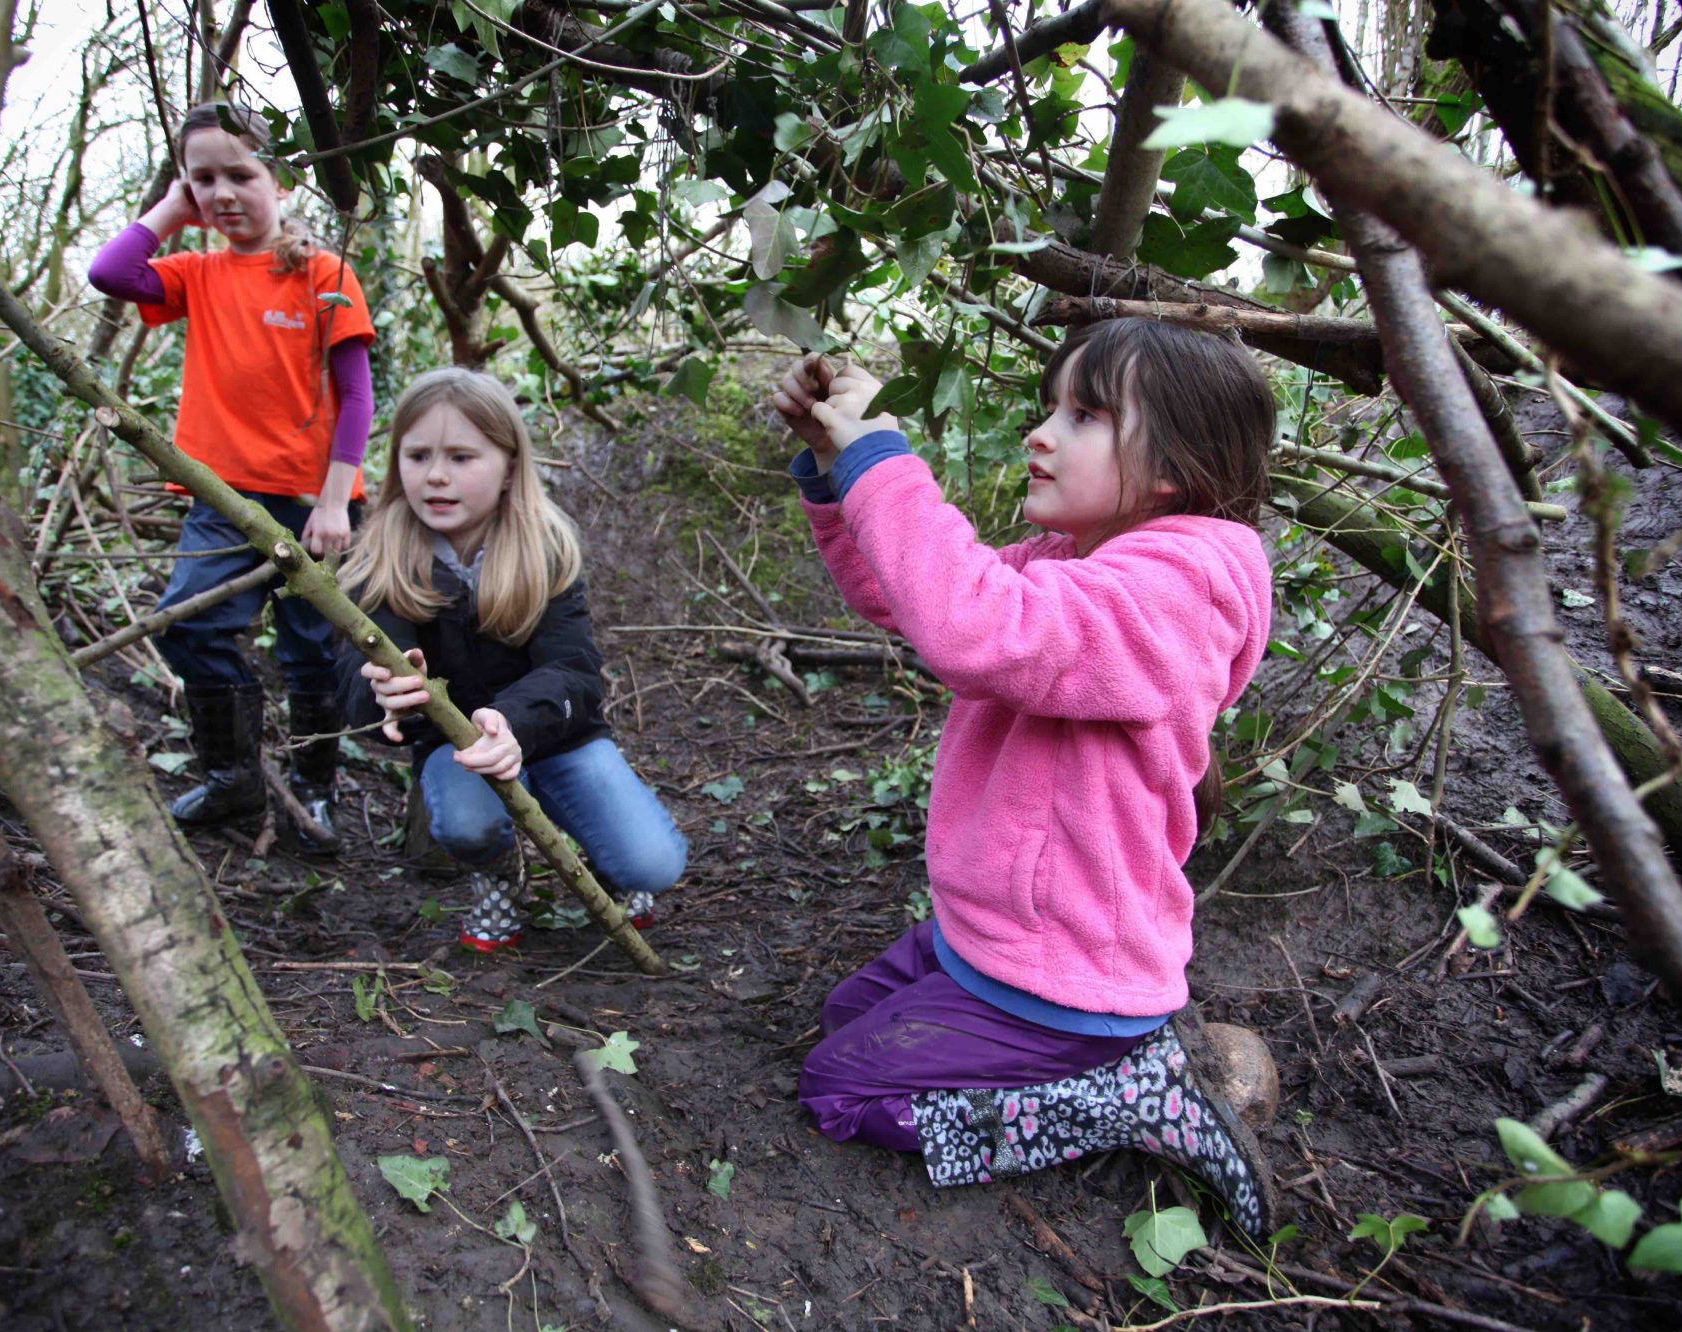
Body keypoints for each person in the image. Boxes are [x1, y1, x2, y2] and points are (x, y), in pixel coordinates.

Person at [773, 319, 1279, 1238]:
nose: (1041, 432)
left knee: (837, 1085)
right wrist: (832, 463)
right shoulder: (1077, 562)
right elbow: (907, 594)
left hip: (1067, 972)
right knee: (843, 1014)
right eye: (1051, 407)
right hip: (997, 934)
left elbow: (970, 623)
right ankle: (1099, 1063)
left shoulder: (1179, 588)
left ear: (1174, 463)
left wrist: (881, 453)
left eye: (1083, 414)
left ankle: (1116, 1098)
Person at [86, 102, 376, 853]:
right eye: (203, 178)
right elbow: (109, 272)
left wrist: (338, 496)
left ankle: (315, 787)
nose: (222, 192)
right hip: (223, 499)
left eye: (240, 175)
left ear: (278, 181)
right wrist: (171, 211)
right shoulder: (195, 273)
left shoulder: (324, 272)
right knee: (189, 621)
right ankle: (235, 777)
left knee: (310, 647)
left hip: (315, 503)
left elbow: (358, 394)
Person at [341, 368, 687, 953]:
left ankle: (609, 863)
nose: (437, 476)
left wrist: (513, 723)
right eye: (419, 455)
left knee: (652, 864)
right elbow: (350, 687)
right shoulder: (381, 558)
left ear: (507, 466)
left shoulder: (545, 548)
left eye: (461, 456)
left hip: (558, 735)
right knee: (466, 823)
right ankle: (498, 876)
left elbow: (576, 671)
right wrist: (378, 696)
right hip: (458, 749)